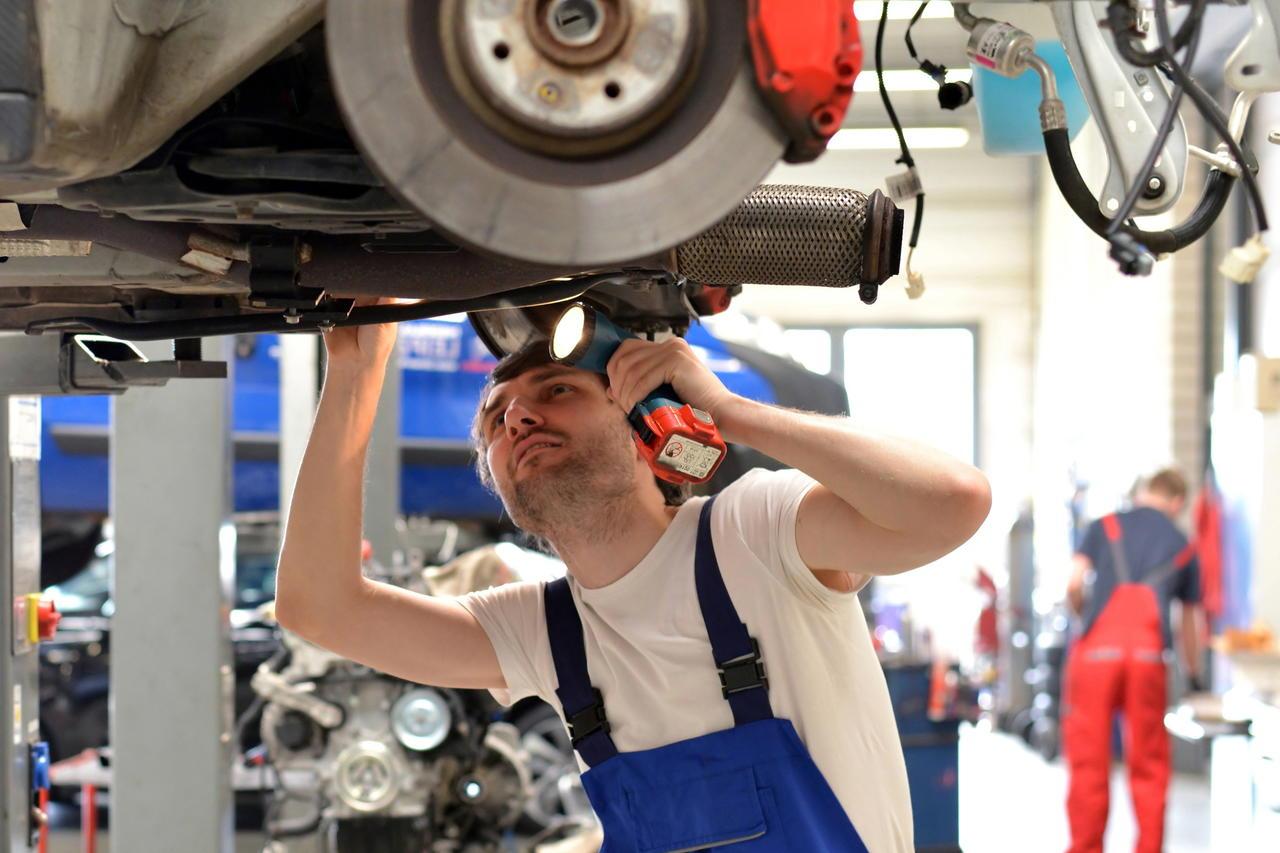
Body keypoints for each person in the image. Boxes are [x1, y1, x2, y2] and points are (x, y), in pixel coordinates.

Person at [275, 313, 992, 851]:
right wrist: (356, 375)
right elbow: (320, 607)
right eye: (496, 418)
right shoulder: (544, 631)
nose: (519, 416)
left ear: (648, 427)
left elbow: (953, 501)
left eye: (556, 388)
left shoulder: (753, 532)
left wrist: (732, 413)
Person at [1063, 468, 1205, 853]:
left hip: (1094, 657)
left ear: (1144, 492)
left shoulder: (1102, 526)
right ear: (1177, 503)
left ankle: (1085, 847)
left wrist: (1085, 622)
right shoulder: (1183, 543)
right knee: (1149, 764)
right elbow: (1191, 621)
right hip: (1147, 657)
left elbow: (1074, 584)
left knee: (1089, 762)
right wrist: (1193, 675)